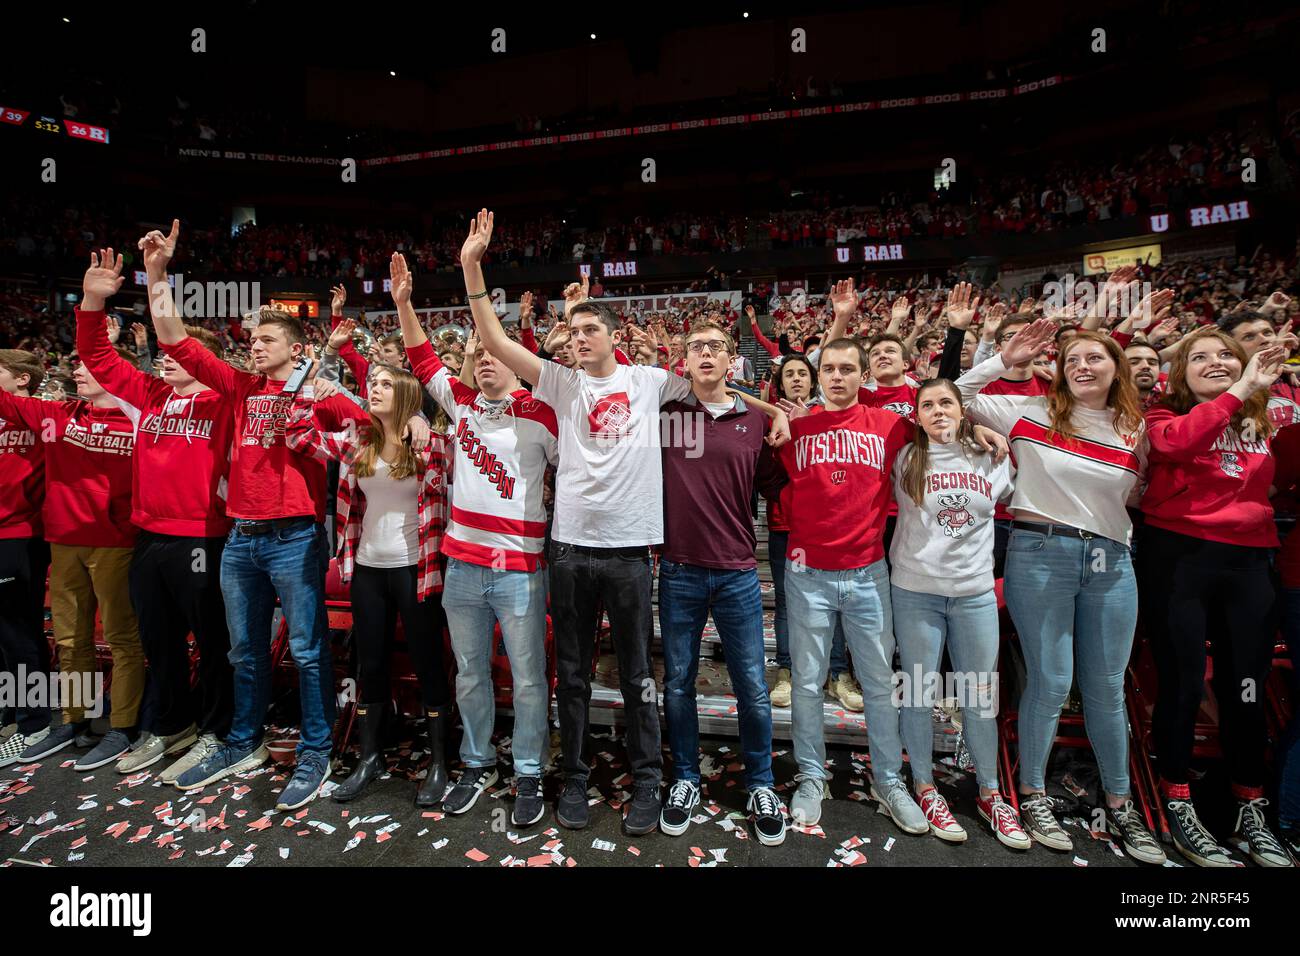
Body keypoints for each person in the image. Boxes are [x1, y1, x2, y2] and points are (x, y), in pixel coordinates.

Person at [459, 209, 712, 836]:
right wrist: (472, 267)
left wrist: (781, 412)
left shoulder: (650, 380)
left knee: (634, 675)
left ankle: (648, 778)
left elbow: (714, 383)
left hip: (630, 553)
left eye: (590, 329)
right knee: (569, 674)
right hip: (569, 550)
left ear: (611, 335)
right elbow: (493, 342)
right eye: (573, 333)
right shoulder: (560, 384)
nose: (579, 340)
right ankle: (572, 777)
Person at [141, 221, 376, 810]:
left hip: (296, 538)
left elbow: (376, 430)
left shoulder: (320, 394)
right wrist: (157, 275)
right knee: (243, 650)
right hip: (241, 538)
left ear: (297, 348)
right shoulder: (241, 387)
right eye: (253, 338)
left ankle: (317, 750)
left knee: (307, 648)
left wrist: (324, 418)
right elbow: (172, 338)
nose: (255, 345)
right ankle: (243, 741)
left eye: (268, 339)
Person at [767, 335, 1005, 832]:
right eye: (828, 368)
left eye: (846, 369)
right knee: (808, 684)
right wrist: (782, 417)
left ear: (862, 375)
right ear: (818, 375)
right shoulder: (796, 428)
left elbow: (945, 412)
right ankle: (812, 775)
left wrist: (979, 427)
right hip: (807, 574)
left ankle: (890, 779)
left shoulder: (891, 425)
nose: (836, 377)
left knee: (878, 685)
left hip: (869, 574)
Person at [956, 319, 1165, 864]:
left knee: (1106, 688)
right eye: (1072, 359)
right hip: (1040, 552)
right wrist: (1003, 362)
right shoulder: (1026, 411)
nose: (1081, 367)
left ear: (1117, 368)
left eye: (1094, 358)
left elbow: (1136, 497)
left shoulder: (1134, 428)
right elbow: (952, 397)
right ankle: (1033, 795)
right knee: (1050, 680)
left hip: (1112, 561)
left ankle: (1120, 803)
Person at [393, 251, 558, 827]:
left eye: (496, 354)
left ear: (517, 362)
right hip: (462, 567)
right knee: (470, 672)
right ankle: (477, 762)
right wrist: (404, 303)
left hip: (520, 567)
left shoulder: (545, 415)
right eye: (479, 355)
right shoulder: (459, 405)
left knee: (530, 675)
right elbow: (419, 357)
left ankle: (531, 770)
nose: (486, 361)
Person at [75, 251, 236, 779]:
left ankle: (217, 733)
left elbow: (175, 340)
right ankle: (171, 727)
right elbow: (97, 358)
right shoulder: (146, 395)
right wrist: (95, 301)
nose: (163, 360)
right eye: (164, 355)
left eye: (175, 354)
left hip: (202, 537)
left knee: (213, 643)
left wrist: (162, 281)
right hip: (147, 537)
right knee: (158, 642)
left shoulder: (223, 403)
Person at [1138, 328, 1292, 867]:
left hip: (1250, 563)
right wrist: (1240, 389)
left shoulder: (1265, 419)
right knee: (1181, 684)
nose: (1214, 361)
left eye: (1226, 353)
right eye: (1198, 357)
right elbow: (1174, 445)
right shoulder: (1161, 416)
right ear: (1180, 374)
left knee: (1246, 688)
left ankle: (1250, 805)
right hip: (1179, 557)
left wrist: (1255, 394)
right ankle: (1179, 801)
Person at [285, 364, 452, 806]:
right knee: (371, 665)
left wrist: (420, 419)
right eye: (371, 384)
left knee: (429, 661)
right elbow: (298, 436)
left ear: (404, 394)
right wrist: (309, 394)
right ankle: (370, 757)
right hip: (366, 568)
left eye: (383, 385)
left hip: (418, 568)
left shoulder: (433, 444)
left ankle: (438, 763)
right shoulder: (359, 440)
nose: (373, 390)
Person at [0, 276, 144, 770]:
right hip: (62, 542)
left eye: (86, 366)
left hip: (115, 544)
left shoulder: (138, 420)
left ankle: (122, 726)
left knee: (123, 639)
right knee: (69, 639)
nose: (76, 371)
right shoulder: (52, 415)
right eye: (75, 365)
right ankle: (73, 719)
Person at [657, 320, 785, 845]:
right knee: (679, 683)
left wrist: (773, 410)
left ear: (733, 359)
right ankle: (686, 777)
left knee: (753, 687)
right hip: (679, 570)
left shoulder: (753, 422)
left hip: (736, 572)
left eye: (716, 347)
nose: (706, 354)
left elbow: (774, 486)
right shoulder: (664, 418)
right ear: (683, 361)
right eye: (696, 347)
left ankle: (761, 783)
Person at [890, 379, 1028, 848]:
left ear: (961, 409)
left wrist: (991, 433)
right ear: (918, 416)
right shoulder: (905, 459)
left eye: (945, 401)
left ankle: (990, 791)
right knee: (918, 690)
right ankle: (925, 786)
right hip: (916, 591)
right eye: (926, 404)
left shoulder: (990, 456)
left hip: (973, 594)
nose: (937, 410)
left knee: (980, 695)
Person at [0, 350, 51, 768]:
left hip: (18, 535)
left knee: (19, 635)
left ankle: (34, 723)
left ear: (21, 380)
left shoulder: (38, 415)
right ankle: (11, 713)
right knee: (5, 639)